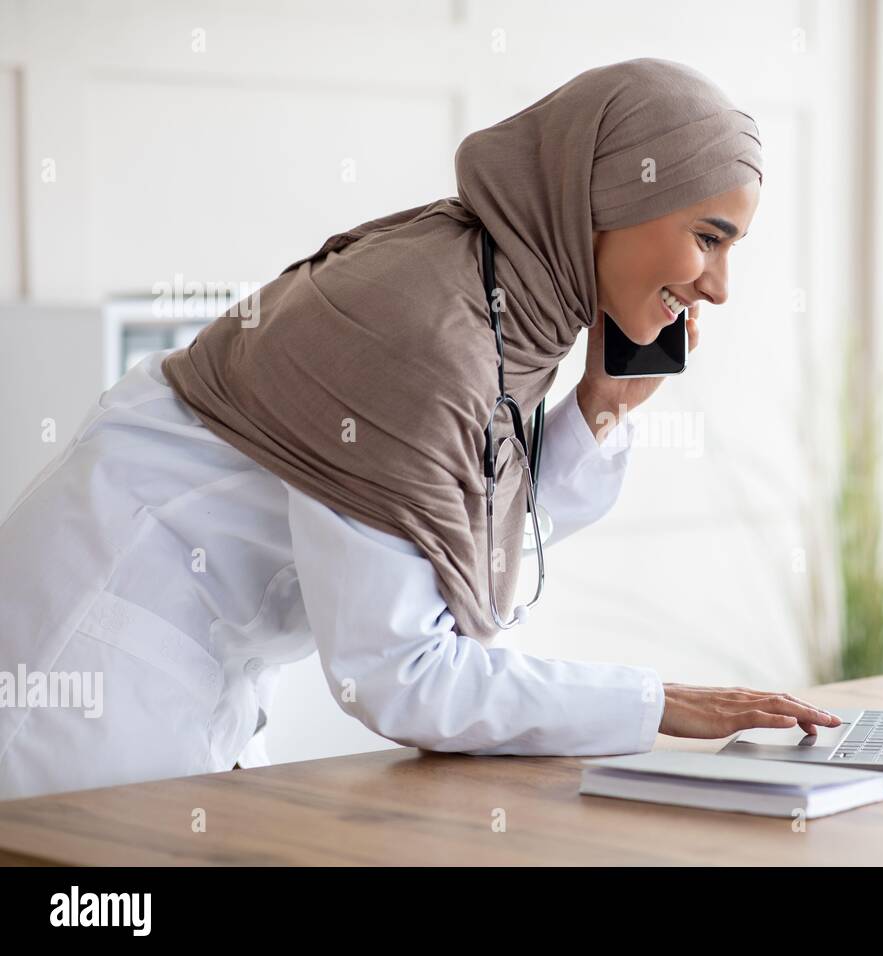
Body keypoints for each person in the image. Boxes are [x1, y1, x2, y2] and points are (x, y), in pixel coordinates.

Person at [0, 58, 839, 801]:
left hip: (198, 650)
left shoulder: (509, 303)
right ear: (608, 198)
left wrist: (603, 406)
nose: (721, 286)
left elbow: (464, 539)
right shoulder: (427, 329)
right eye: (707, 239)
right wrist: (660, 704)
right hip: (98, 646)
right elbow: (400, 679)